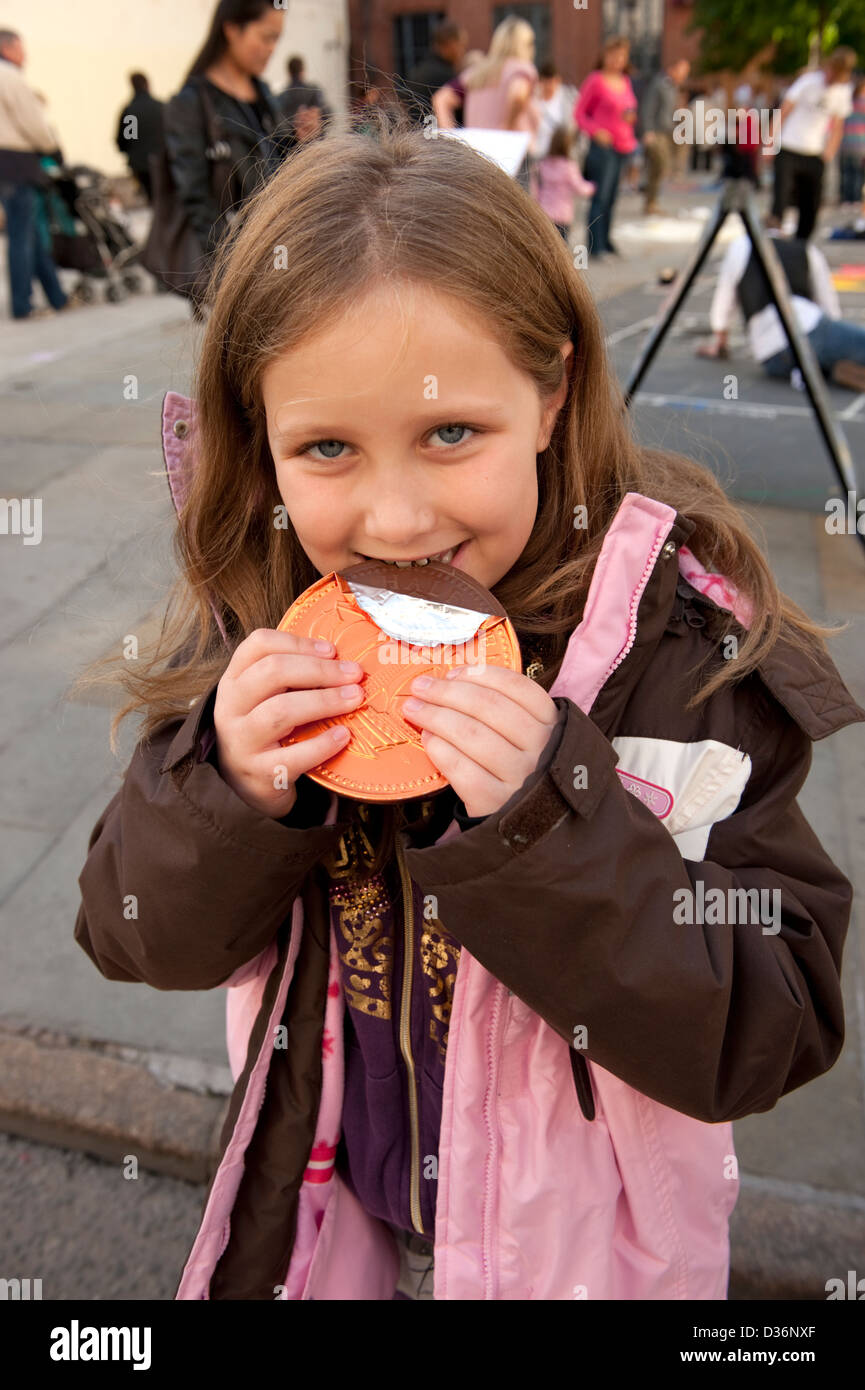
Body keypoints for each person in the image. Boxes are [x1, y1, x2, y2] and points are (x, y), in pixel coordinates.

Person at [73, 109, 863, 1304]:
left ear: (550, 395)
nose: (394, 522)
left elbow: (776, 1020)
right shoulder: (265, 630)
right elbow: (130, 932)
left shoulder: (678, 652)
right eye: (327, 448)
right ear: (263, 441)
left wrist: (556, 824)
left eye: (451, 432)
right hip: (334, 1202)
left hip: (585, 1247)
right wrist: (224, 792)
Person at [162, 0, 291, 274]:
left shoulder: (263, 94)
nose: (271, 49)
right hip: (235, 265)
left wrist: (304, 138)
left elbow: (283, 163)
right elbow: (196, 200)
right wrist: (231, 273)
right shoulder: (192, 104)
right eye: (267, 37)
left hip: (277, 250)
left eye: (277, 40)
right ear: (232, 30)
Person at [696, 227, 865, 390]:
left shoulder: (740, 246)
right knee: (850, 344)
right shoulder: (804, 250)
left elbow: (723, 301)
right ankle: (825, 365)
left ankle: (820, 368)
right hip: (807, 326)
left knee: (819, 355)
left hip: (770, 354)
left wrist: (720, 343)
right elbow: (830, 307)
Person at [0, 27, 69, 320]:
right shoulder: (10, 77)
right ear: (7, 48)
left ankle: (57, 297)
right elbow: (33, 121)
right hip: (17, 160)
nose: (24, 54)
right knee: (21, 234)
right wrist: (51, 147)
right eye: (21, 47)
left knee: (29, 233)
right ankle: (22, 305)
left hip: (6, 164)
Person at [432, 16, 539, 191]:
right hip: (515, 156)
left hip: (480, 155)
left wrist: (453, 139)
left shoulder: (478, 72)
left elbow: (441, 99)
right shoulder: (522, 69)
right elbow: (518, 95)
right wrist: (508, 126)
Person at [767, 46, 857, 240]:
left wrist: (829, 152)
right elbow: (784, 111)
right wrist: (769, 142)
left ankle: (802, 242)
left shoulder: (842, 92)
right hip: (789, 145)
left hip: (814, 151)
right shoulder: (808, 82)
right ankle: (775, 232)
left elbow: (838, 126)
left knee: (810, 203)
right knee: (782, 196)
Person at [575, 34, 639, 259]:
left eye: (622, 56)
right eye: (614, 55)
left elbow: (628, 110)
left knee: (612, 197)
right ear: (605, 56)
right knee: (600, 196)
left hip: (623, 145)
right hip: (603, 147)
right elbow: (579, 114)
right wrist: (595, 131)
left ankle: (607, 239)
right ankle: (595, 244)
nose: (617, 60)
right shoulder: (595, 80)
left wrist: (630, 119)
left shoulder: (626, 81)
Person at [640, 57, 690, 214]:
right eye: (683, 72)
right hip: (657, 132)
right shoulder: (659, 84)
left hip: (668, 132)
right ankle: (649, 197)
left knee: (661, 167)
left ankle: (652, 201)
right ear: (673, 69)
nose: (684, 76)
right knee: (660, 164)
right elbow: (648, 107)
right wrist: (647, 131)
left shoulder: (674, 87)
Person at [532, 123, 595, 241]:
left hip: (544, 212)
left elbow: (535, 188)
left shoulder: (542, 164)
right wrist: (592, 187)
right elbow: (580, 188)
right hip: (562, 214)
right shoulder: (569, 167)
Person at [399, 19, 467, 126]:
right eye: (461, 45)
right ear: (450, 44)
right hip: (437, 139)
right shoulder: (445, 76)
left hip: (416, 138)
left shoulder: (417, 71)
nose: (463, 51)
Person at [116, 72, 165, 204]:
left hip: (141, 165)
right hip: (162, 162)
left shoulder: (131, 112)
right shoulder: (160, 108)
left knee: (152, 200)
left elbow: (126, 141)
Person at [276, 54, 333, 144]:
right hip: (316, 145)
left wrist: (295, 130)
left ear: (289, 72)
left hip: (291, 149)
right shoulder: (315, 91)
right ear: (303, 70)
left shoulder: (281, 97)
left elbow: (278, 128)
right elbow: (330, 116)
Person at [532, 59, 578, 161]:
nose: (550, 87)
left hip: (562, 155)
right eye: (546, 83)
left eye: (553, 82)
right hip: (539, 154)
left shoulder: (568, 98)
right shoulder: (533, 101)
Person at [839, 74, 865, 206]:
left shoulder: (848, 103)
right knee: (857, 174)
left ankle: (845, 198)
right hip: (860, 144)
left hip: (845, 143)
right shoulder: (863, 103)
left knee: (846, 173)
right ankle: (855, 199)